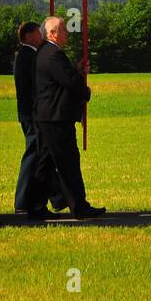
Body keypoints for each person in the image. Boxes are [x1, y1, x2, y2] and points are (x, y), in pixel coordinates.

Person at [35, 16, 106, 218]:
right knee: (68, 163)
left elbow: (60, 78)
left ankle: (36, 205)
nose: (67, 33)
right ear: (52, 34)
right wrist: (86, 91)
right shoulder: (53, 54)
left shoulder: (46, 52)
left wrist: (75, 70)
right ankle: (79, 207)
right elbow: (68, 81)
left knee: (46, 162)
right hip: (57, 117)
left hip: (47, 116)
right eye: (63, 30)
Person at [13, 20, 66, 218]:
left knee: (40, 155)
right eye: (37, 32)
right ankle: (24, 201)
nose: (41, 36)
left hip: (29, 112)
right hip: (33, 114)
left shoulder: (24, 55)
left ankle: (57, 197)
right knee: (34, 156)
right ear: (28, 36)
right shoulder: (29, 55)